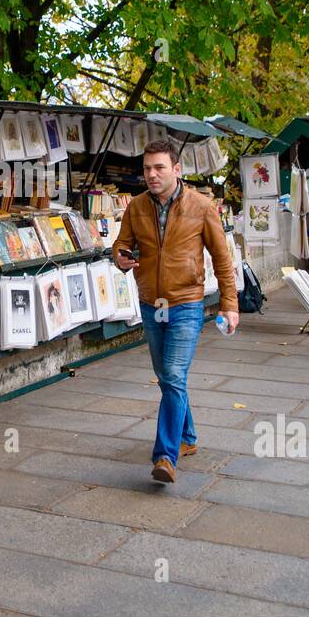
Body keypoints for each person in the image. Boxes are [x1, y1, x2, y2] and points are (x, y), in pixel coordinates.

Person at [114, 139, 238, 484]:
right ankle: (188, 437)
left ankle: (165, 456)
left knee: (171, 373)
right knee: (169, 377)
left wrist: (230, 304)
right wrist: (121, 257)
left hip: (186, 302)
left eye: (159, 168)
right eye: (147, 168)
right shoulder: (136, 207)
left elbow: (222, 259)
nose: (151, 175)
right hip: (151, 302)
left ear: (176, 170)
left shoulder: (201, 206)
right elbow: (121, 244)